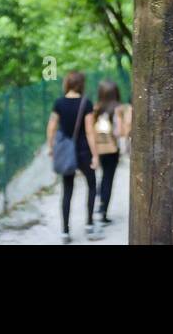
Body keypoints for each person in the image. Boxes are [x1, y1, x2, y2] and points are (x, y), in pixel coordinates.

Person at [46, 70, 100, 242]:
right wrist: (95, 155)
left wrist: (51, 147)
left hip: (66, 153)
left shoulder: (59, 103)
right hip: (84, 152)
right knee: (91, 185)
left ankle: (65, 232)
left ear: (67, 83)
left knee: (67, 190)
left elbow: (51, 126)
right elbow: (90, 131)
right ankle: (90, 225)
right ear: (81, 84)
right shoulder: (86, 103)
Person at [92, 79, 131, 224]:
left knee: (103, 176)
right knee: (108, 178)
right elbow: (120, 131)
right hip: (112, 149)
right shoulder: (118, 109)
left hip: (98, 148)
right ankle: (103, 212)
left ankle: (99, 201)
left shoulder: (96, 108)